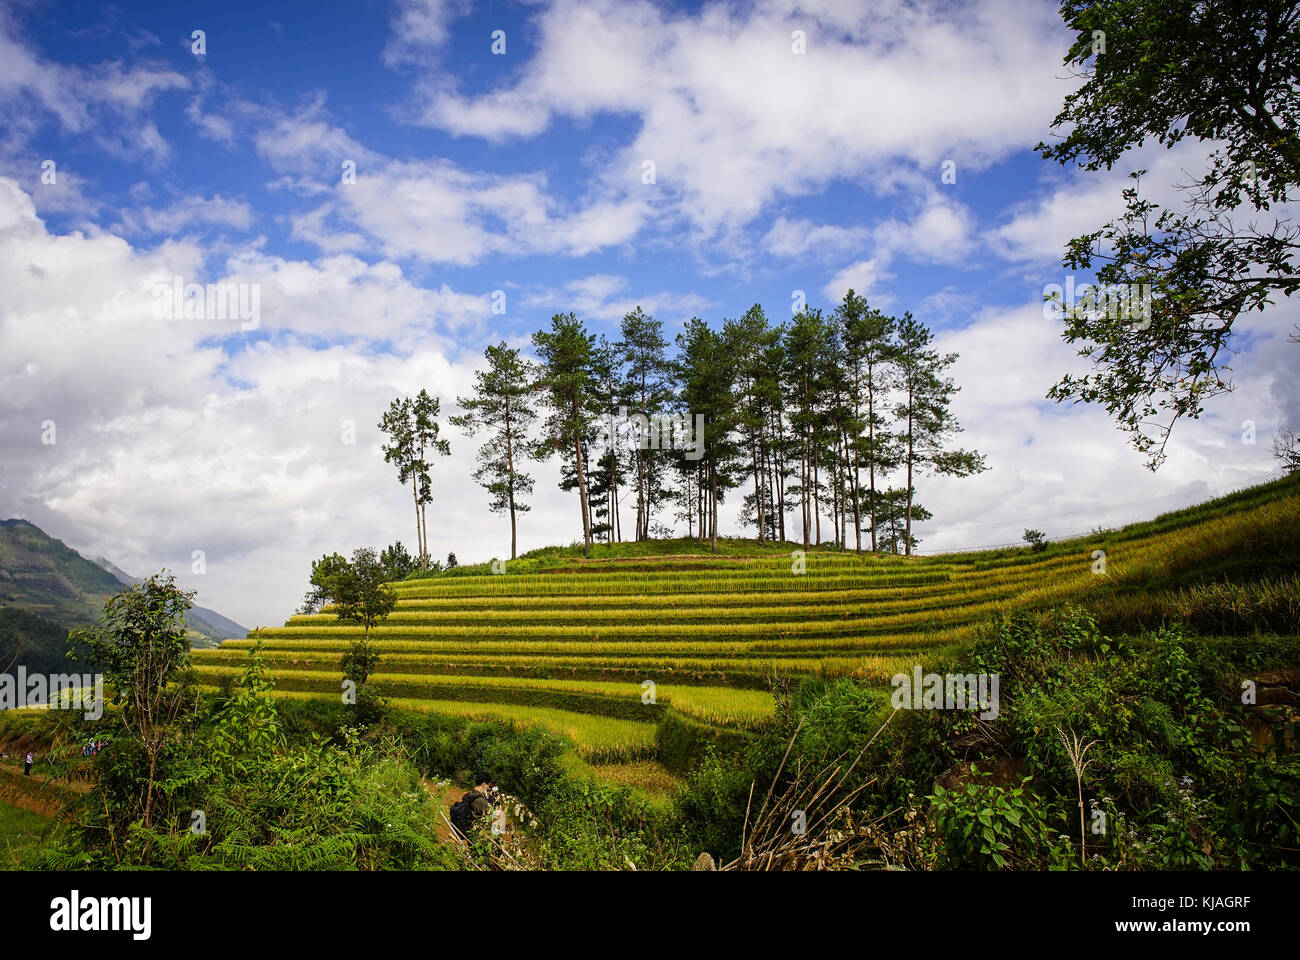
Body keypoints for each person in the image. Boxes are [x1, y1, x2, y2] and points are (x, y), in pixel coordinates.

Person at [449, 772, 496, 838]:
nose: (488, 788)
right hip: (476, 834)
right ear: (484, 784)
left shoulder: (469, 795)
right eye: (488, 785)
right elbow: (492, 816)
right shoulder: (480, 800)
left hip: (468, 830)